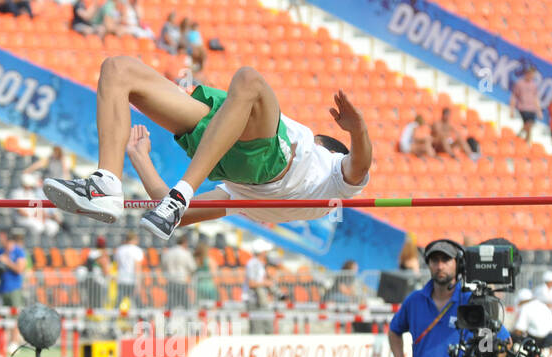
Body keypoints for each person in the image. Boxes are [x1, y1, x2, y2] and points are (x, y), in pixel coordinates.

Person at [43, 58, 372, 241]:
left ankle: (183, 189)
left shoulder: (329, 174)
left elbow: (358, 164)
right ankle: (106, 182)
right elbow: (173, 215)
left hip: (265, 160)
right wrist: (140, 160)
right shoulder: (246, 201)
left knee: (249, 79)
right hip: (224, 150)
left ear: (325, 148)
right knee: (118, 70)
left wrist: (357, 130)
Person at [511, 288, 552, 357]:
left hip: (538, 338)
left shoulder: (525, 307)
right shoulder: (542, 305)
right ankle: (544, 353)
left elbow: (518, 330)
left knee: (511, 337)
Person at [0, 229, 29, 310]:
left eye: (2, 237)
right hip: (1, 289)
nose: (0, 240)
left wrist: (7, 262)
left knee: (15, 315)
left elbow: (20, 269)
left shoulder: (19, 251)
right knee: (2, 316)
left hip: (14, 290)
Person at [163, 236, 197, 309]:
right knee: (185, 300)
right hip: (181, 279)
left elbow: (163, 265)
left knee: (171, 301)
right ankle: (189, 316)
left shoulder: (169, 252)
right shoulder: (185, 253)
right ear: (184, 243)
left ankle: (167, 317)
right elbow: (192, 267)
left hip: (171, 280)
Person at [510, 66, 541, 142]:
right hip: (523, 107)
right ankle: (521, 137)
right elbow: (514, 96)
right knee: (529, 124)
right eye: (531, 74)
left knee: (529, 128)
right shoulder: (519, 83)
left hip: (532, 108)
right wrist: (512, 110)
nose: (532, 76)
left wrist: (539, 110)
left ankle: (525, 142)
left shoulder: (533, 85)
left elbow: (535, 98)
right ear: (527, 74)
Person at [114, 231, 145, 307]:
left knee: (118, 302)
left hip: (121, 279)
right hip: (132, 280)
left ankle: (112, 318)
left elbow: (117, 266)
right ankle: (143, 318)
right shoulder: (137, 250)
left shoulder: (119, 250)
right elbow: (137, 267)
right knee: (138, 303)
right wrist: (138, 283)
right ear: (134, 239)